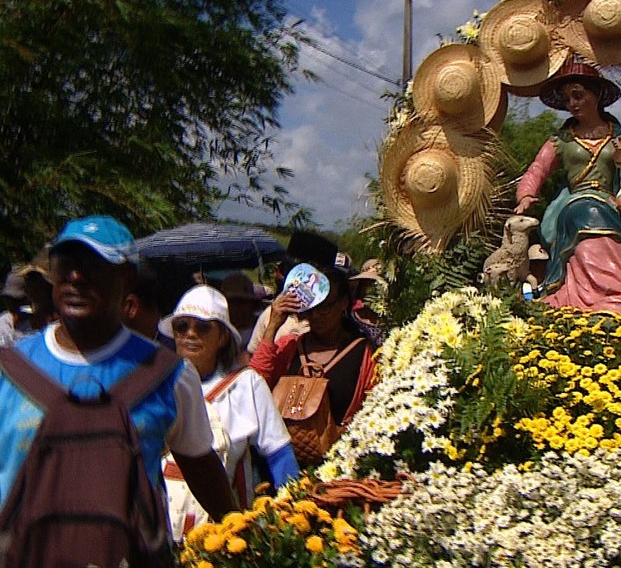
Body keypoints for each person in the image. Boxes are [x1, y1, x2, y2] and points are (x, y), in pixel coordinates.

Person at [0, 216, 237, 528]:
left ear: (127, 278)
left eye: (92, 265)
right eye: (64, 264)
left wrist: (247, 539)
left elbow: (202, 470)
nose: (75, 277)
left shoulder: (169, 376)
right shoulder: (10, 369)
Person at [514, 61, 621, 315]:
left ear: (596, 96)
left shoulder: (620, 137)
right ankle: (592, 295)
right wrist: (526, 195)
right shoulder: (561, 140)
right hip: (574, 203)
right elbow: (537, 170)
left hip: (616, 203)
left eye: (578, 95)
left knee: (613, 221)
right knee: (587, 211)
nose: (572, 103)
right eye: (567, 99)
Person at [160, 285, 298, 540]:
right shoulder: (158, 385)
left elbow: (280, 457)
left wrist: (293, 524)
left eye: (202, 327)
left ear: (223, 337)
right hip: (165, 540)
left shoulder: (248, 385)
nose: (190, 334)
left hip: (225, 542)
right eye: (182, 327)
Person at [250, 264, 376, 429]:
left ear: (344, 303)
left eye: (324, 307)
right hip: (290, 450)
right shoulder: (289, 347)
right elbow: (255, 386)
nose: (316, 315)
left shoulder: (366, 354)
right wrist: (273, 325)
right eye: (311, 308)